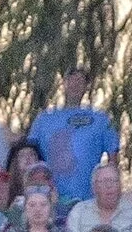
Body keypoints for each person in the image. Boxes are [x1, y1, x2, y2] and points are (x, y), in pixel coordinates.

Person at [27, 68, 120, 207]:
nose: (75, 85)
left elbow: (113, 159)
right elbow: (29, 156)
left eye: (80, 81)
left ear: (86, 88)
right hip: (48, 200)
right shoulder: (44, 119)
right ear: (64, 83)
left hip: (88, 201)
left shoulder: (100, 119)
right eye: (71, 80)